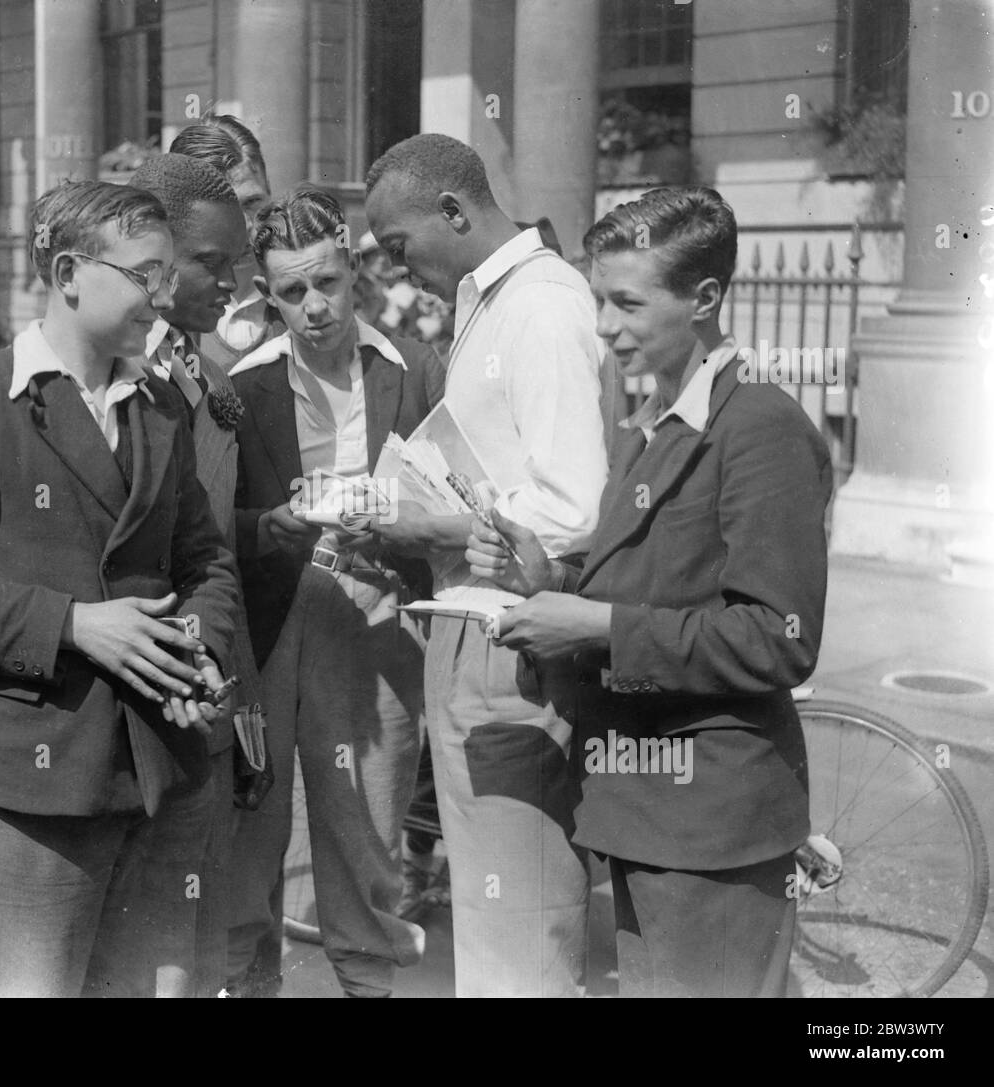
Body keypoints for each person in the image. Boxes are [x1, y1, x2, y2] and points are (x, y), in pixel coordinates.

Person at [467, 186, 832, 997]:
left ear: (704, 298)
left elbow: (780, 636)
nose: (603, 325)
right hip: (649, 807)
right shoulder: (653, 428)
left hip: (711, 824)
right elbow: (656, 587)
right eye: (599, 299)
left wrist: (592, 622)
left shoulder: (757, 426)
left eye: (627, 302)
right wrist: (548, 579)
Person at [0, 180, 240, 998]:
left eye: (168, 272)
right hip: (38, 786)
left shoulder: (158, 404)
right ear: (71, 273)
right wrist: (76, 625)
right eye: (145, 273)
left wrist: (198, 652)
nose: (164, 292)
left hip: (164, 772)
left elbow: (204, 561)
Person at [364, 133, 608, 997]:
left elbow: (572, 508)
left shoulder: (542, 307)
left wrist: (429, 523)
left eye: (399, 247)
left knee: (520, 938)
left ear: (455, 212)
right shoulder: (491, 303)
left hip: (513, 635)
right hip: (471, 627)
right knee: (492, 924)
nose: (397, 271)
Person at [224, 185, 445, 998]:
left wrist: (401, 534)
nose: (314, 307)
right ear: (266, 295)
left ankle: (368, 987)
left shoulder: (413, 369)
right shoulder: (238, 389)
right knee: (251, 842)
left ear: (355, 272)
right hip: (276, 620)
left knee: (367, 844)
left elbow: (455, 495)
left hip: (375, 618)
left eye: (327, 283)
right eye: (291, 292)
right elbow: (213, 527)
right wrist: (270, 526)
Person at [128, 152, 270, 998]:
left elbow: (214, 552)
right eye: (213, 264)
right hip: (134, 712)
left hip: (206, 704)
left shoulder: (206, 377)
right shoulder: (106, 380)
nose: (233, 284)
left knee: (194, 953)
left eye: (240, 264)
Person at [169, 115, 279, 369]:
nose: (246, 226)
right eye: (226, 209)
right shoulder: (164, 311)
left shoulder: (301, 293)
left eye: (252, 203)